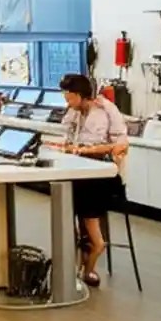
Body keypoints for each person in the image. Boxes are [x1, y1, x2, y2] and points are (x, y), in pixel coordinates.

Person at [57, 73, 128, 288]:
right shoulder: (75, 113)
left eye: (69, 98)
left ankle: (93, 251)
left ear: (79, 95)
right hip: (81, 170)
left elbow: (121, 144)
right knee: (68, 189)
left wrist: (89, 150)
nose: (66, 102)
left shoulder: (107, 110)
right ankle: (79, 253)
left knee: (84, 194)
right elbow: (66, 135)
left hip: (102, 175)